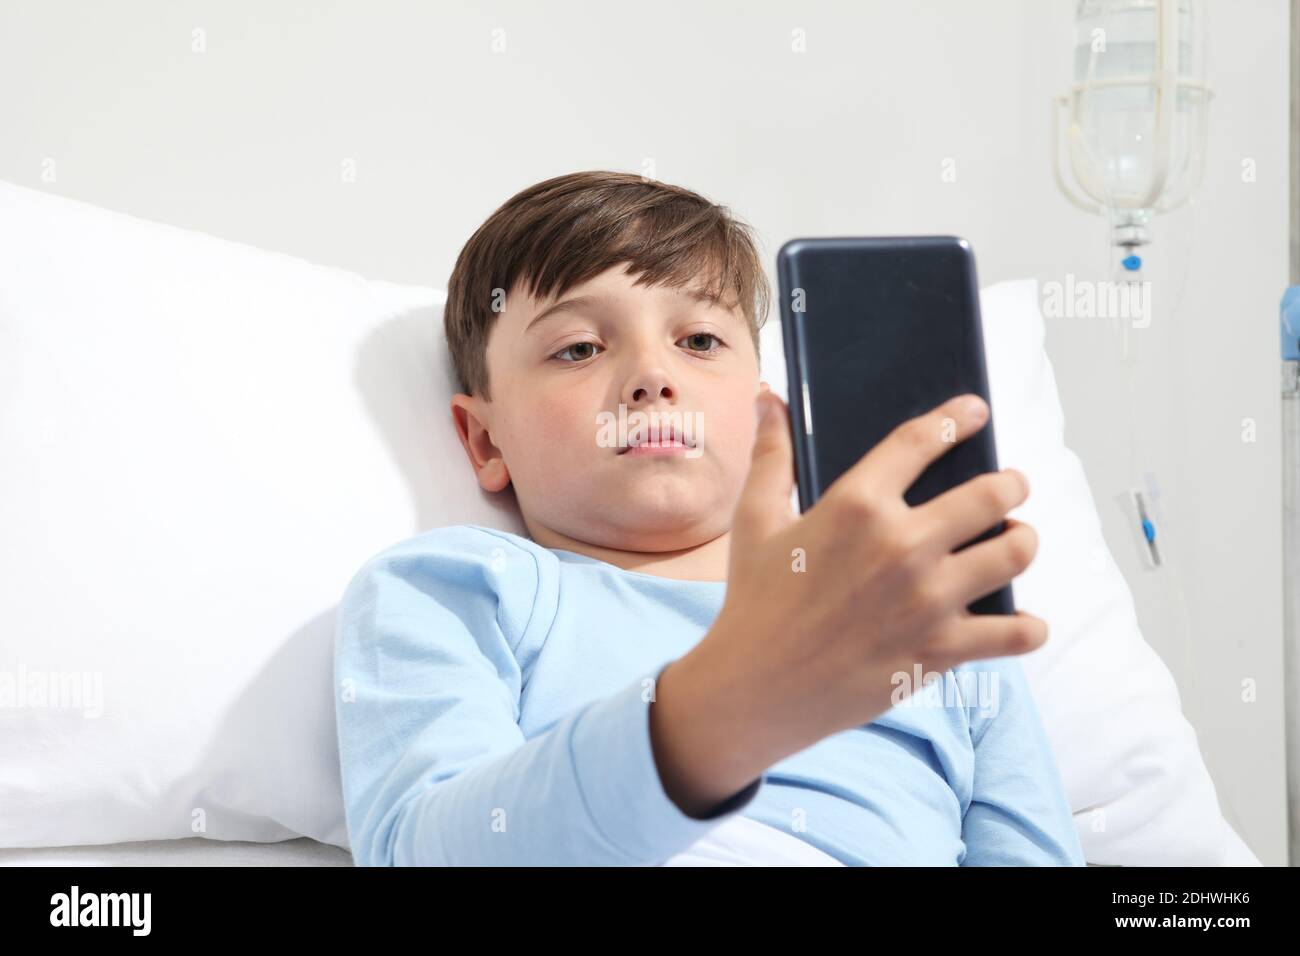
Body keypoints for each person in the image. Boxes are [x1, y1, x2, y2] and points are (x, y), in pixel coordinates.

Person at [333, 170, 1085, 866]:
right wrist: (711, 717)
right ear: (485, 439)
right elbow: (419, 848)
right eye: (579, 347)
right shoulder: (459, 587)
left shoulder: (915, 610)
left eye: (698, 341)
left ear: (764, 412)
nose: (653, 378)